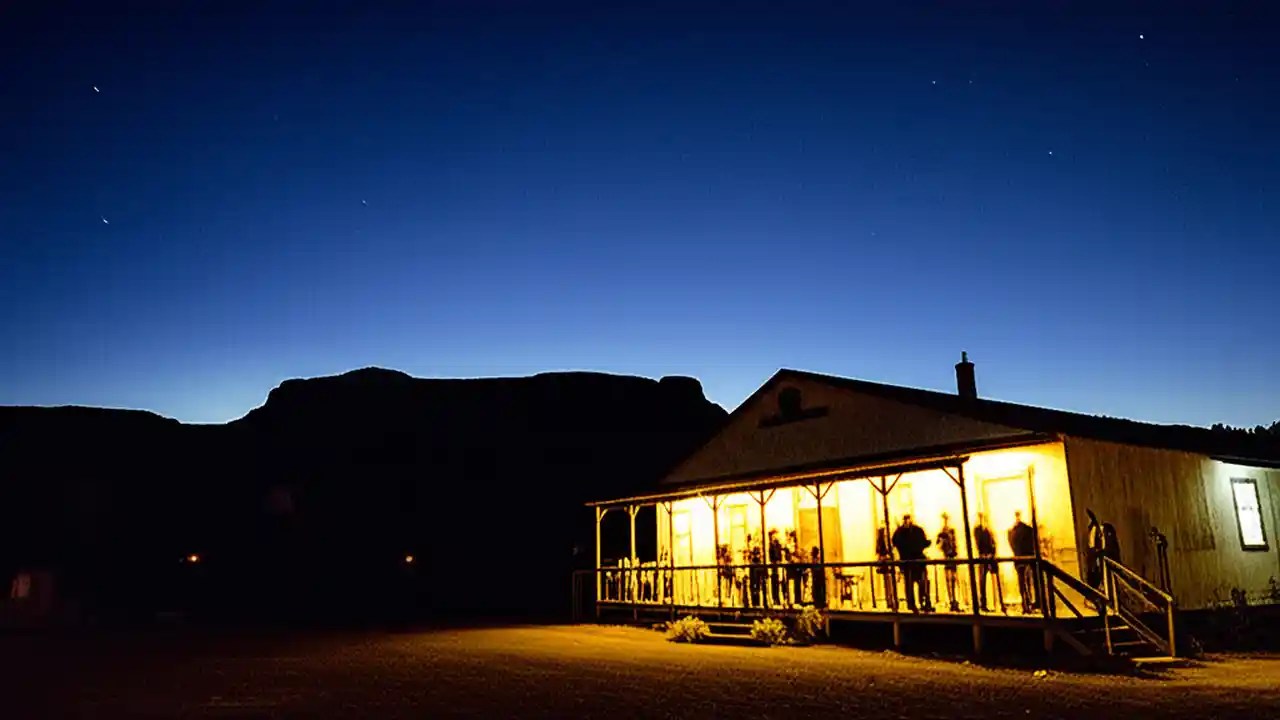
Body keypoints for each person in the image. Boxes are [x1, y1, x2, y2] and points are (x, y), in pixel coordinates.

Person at [892, 514, 933, 612]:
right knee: (915, 584)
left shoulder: (909, 531)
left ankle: (921, 602)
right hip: (912, 562)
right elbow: (896, 543)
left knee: (919, 583)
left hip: (914, 562)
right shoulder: (903, 532)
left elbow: (895, 543)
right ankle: (918, 603)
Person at [1008, 511, 1038, 614]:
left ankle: (1026, 604)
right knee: (1027, 582)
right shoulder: (1027, 530)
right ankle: (1028, 603)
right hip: (1025, 559)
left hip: (1019, 559)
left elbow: (1012, 545)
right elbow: (1031, 544)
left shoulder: (1012, 531)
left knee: (1023, 582)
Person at [936, 512, 960, 612]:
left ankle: (955, 600)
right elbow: (938, 545)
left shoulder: (951, 531)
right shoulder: (942, 533)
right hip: (947, 557)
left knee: (953, 579)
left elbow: (955, 543)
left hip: (952, 556)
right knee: (949, 579)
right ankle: (951, 600)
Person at [973, 513, 998, 611]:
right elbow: (978, 543)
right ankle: (983, 603)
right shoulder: (978, 530)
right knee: (982, 581)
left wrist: (992, 553)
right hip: (983, 558)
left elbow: (994, 543)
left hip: (990, 558)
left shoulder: (988, 531)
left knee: (990, 580)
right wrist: (983, 554)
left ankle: (993, 603)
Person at [875, 526, 897, 610]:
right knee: (888, 581)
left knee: (890, 581)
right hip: (886, 562)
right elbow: (879, 551)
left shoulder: (886, 539)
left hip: (888, 562)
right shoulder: (882, 540)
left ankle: (891, 599)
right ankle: (890, 600)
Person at [786, 530, 804, 604]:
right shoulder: (789, 547)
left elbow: (799, 556)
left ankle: (797, 599)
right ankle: (793, 600)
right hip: (792, 567)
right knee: (793, 584)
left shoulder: (796, 548)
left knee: (797, 584)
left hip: (796, 568)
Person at [768, 529, 785, 606]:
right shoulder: (770, 545)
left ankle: (779, 598)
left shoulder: (778, 544)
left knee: (779, 582)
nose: (775, 536)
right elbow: (771, 555)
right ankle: (775, 598)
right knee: (774, 582)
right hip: (773, 565)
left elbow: (780, 554)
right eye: (773, 535)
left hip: (778, 565)